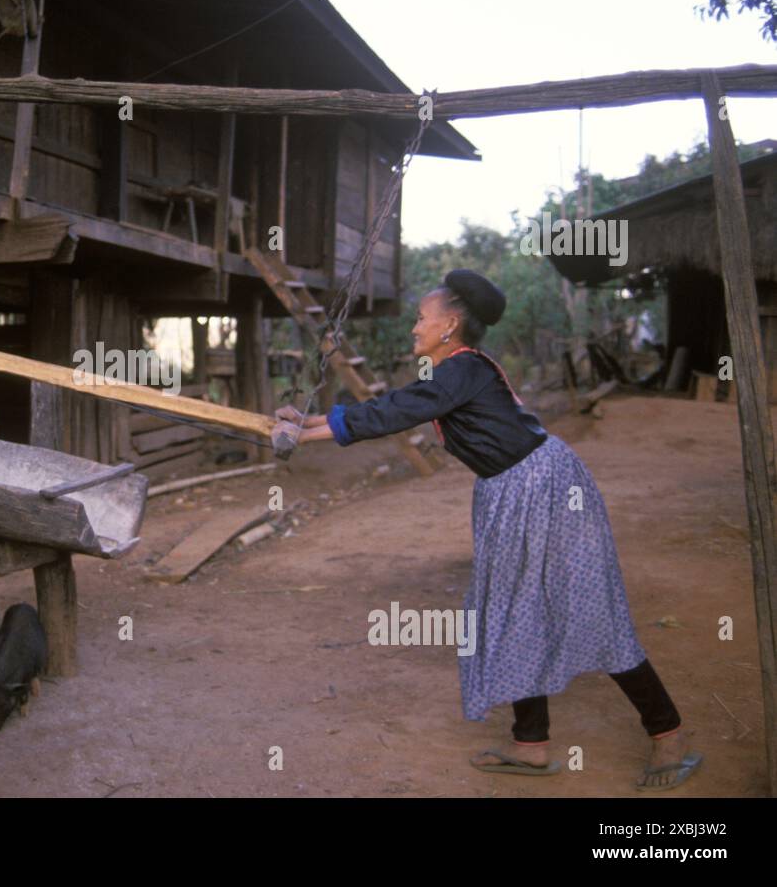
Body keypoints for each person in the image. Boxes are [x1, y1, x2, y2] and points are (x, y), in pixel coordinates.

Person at [274, 269, 702, 791]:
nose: (414, 328)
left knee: (589, 608)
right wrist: (306, 424)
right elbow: (395, 407)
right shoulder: (453, 371)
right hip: (512, 492)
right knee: (518, 609)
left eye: (421, 318)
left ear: (449, 325)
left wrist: (309, 431)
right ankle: (531, 745)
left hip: (546, 488)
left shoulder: (461, 369)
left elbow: (399, 410)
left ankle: (668, 733)